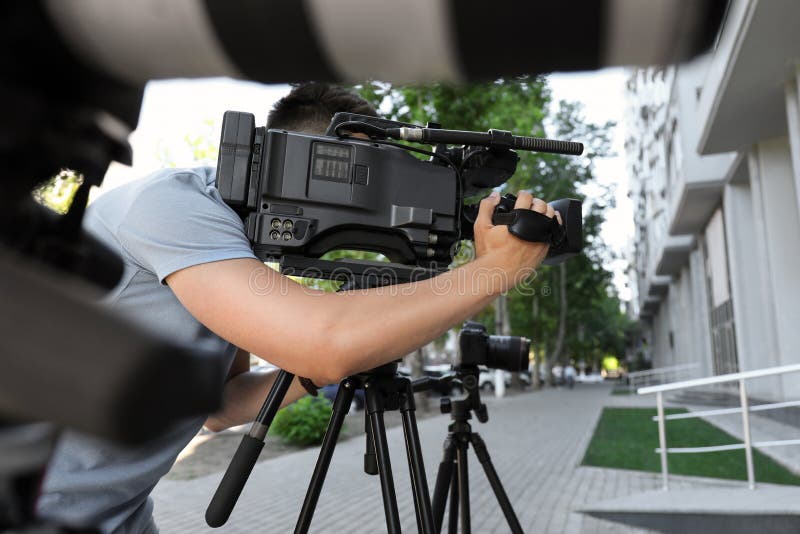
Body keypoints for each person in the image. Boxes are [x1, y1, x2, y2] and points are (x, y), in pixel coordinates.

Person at [36, 83, 557, 533]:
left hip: (117, 517)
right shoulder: (173, 208)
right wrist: (494, 271)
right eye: (360, 177)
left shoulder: (241, 239)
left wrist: (314, 370)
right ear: (298, 156)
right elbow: (322, 342)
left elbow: (218, 405)